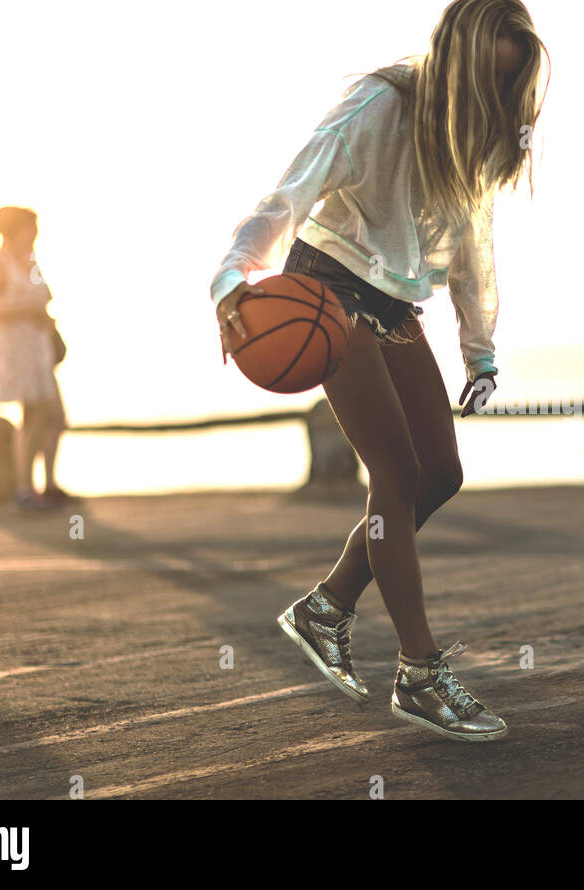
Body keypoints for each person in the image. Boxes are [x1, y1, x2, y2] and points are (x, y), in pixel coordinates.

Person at [210, 0, 547, 741]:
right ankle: (420, 674)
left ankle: (326, 605)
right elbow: (292, 190)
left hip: (393, 303)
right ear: (456, 53)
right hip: (325, 290)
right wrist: (235, 273)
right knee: (394, 474)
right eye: (489, 75)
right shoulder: (379, 102)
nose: (496, 95)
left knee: (440, 474)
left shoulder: (475, 139)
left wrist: (480, 349)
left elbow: (470, 246)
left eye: (509, 82)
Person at [0, 207, 80, 512]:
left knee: (54, 415)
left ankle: (47, 484)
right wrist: (27, 313)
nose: (35, 234)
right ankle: (25, 489)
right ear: (16, 230)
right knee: (35, 414)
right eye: (30, 228)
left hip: (38, 347)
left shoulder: (30, 261)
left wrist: (48, 327)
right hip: (16, 348)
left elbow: (41, 298)